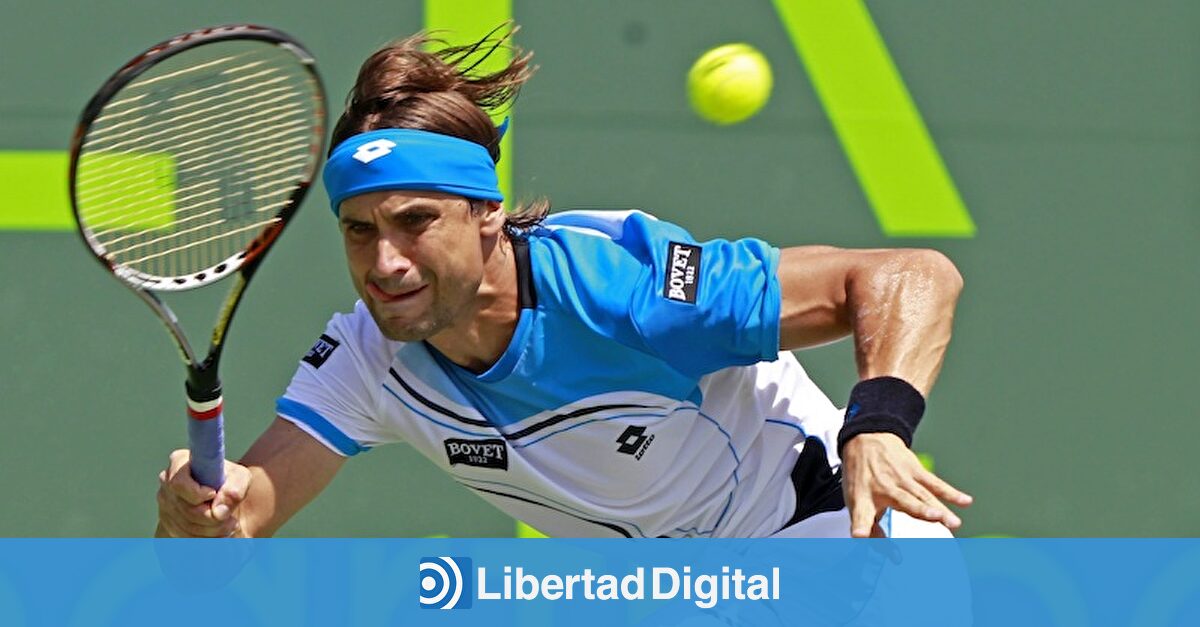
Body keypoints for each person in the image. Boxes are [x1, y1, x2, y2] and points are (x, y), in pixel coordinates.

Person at [156, 27, 972, 539]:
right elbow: (249, 506)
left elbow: (910, 276)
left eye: (415, 222)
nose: (385, 262)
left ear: (487, 214)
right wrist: (198, 514)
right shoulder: (369, 357)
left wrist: (878, 426)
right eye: (360, 230)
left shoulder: (627, 287)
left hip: (845, 548)